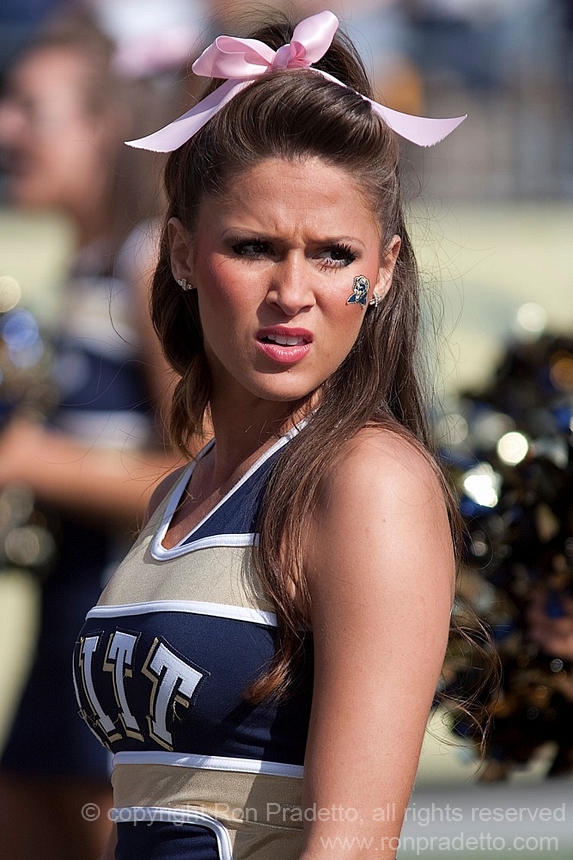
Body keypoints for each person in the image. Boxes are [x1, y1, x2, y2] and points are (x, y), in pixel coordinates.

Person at [72, 10, 466, 859]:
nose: (292, 291)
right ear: (180, 253)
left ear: (383, 270)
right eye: (252, 246)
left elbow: (352, 845)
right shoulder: (176, 494)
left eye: (332, 254)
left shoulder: (369, 484)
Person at [0, 13, 184, 860]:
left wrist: (28, 458)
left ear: (103, 126)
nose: (5, 127)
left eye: (30, 107)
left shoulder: (147, 261)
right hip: (61, 616)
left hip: (121, 637)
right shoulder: (82, 264)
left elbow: (206, 474)